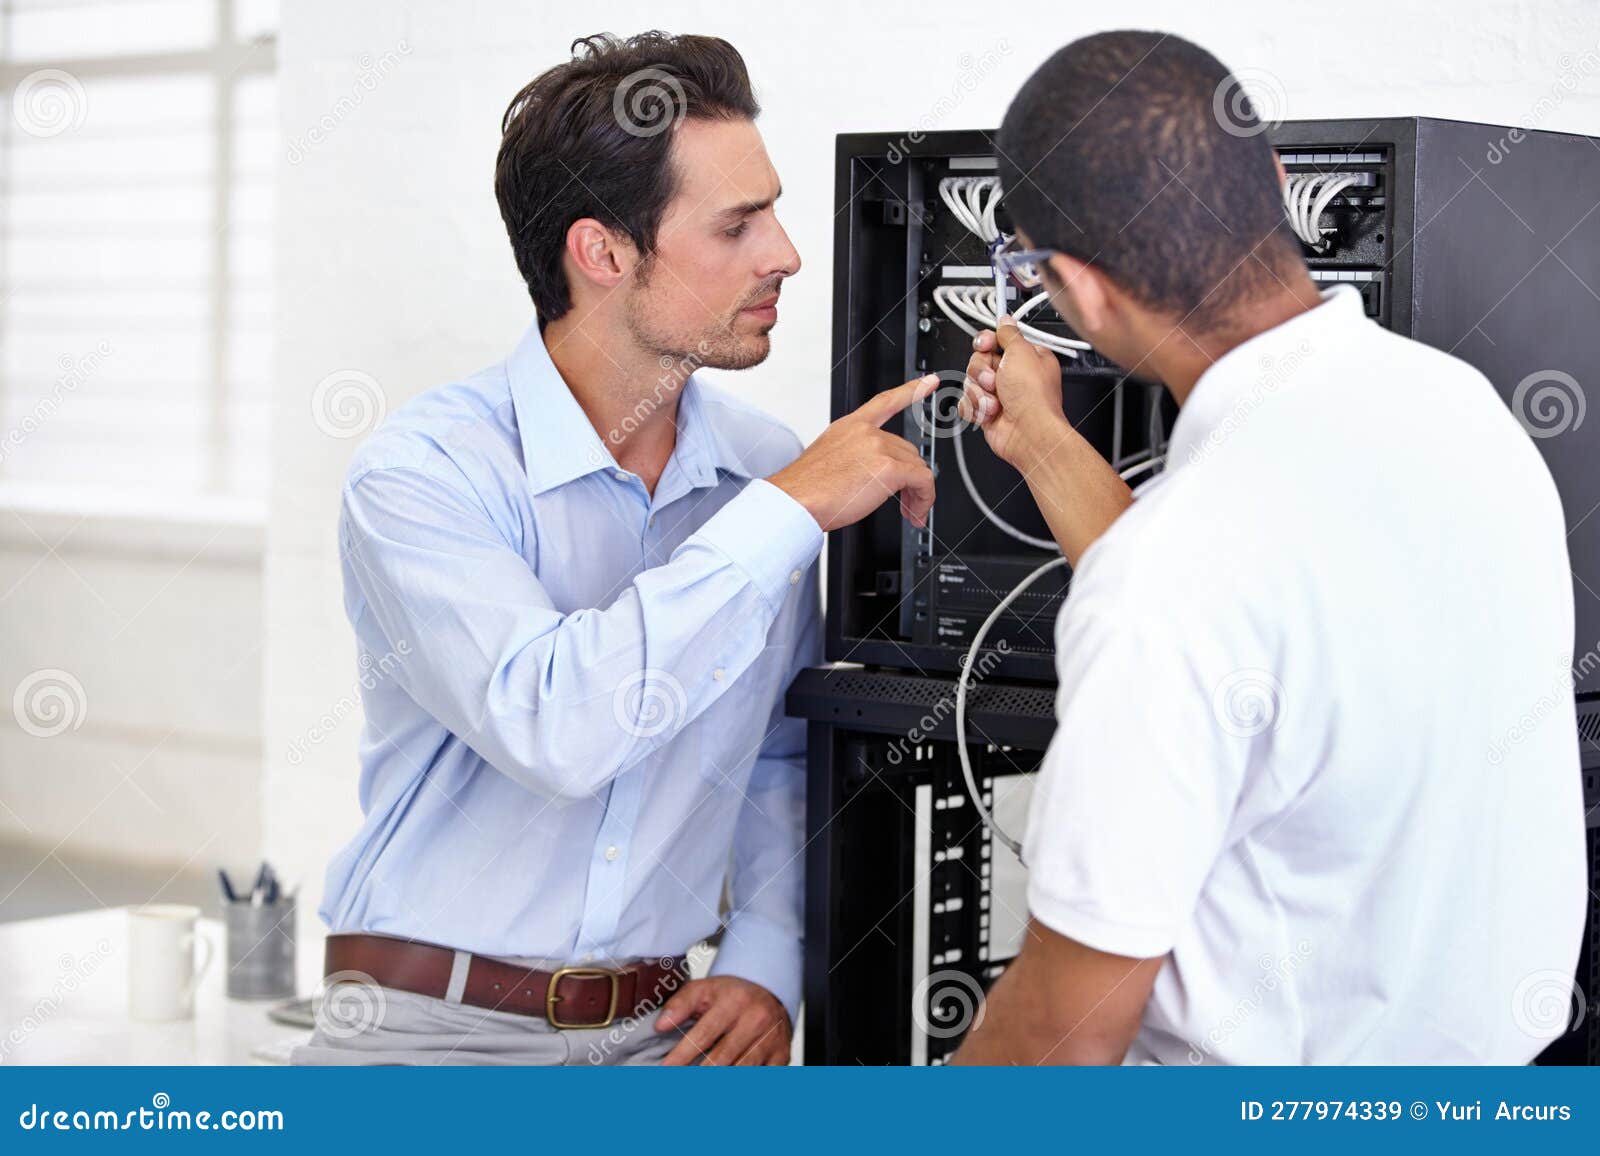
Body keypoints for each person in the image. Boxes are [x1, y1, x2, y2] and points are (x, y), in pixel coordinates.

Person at [294, 31, 935, 1066]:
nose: (784, 252)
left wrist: (766, 960)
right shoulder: (423, 475)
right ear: (602, 253)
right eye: (737, 224)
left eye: (770, 211)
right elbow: (558, 725)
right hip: (428, 1038)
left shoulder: (761, 472)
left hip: (669, 1039)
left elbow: (780, 751)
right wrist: (783, 514)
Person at [951, 30, 1586, 1064]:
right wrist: (1045, 447)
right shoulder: (1462, 410)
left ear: (1080, 286)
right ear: (1276, 183)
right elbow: (1266, 635)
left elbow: (1060, 1040)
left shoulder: (1172, 576)